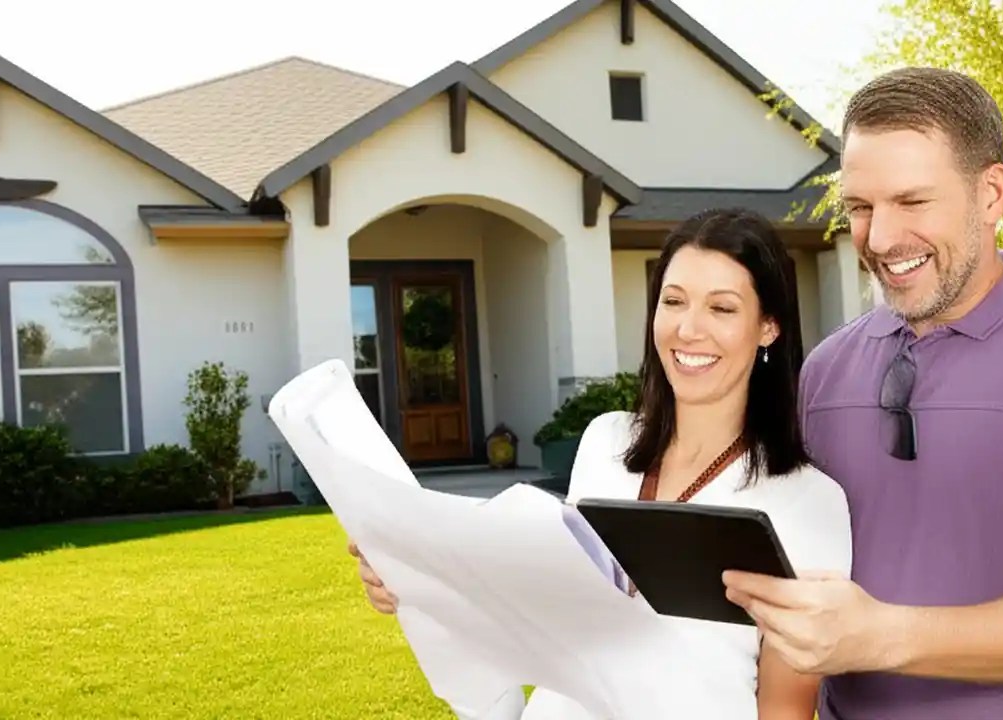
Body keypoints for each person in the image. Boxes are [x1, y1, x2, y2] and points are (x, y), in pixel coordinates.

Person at [722, 67, 1003, 719]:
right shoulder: (824, 372)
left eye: (912, 202)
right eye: (860, 207)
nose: (879, 239)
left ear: (991, 194)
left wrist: (881, 637)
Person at [349, 207, 854, 718]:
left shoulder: (807, 501)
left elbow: (784, 710)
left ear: (768, 327)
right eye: (672, 301)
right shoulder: (605, 443)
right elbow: (532, 611)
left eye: (722, 308)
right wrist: (414, 577)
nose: (688, 328)